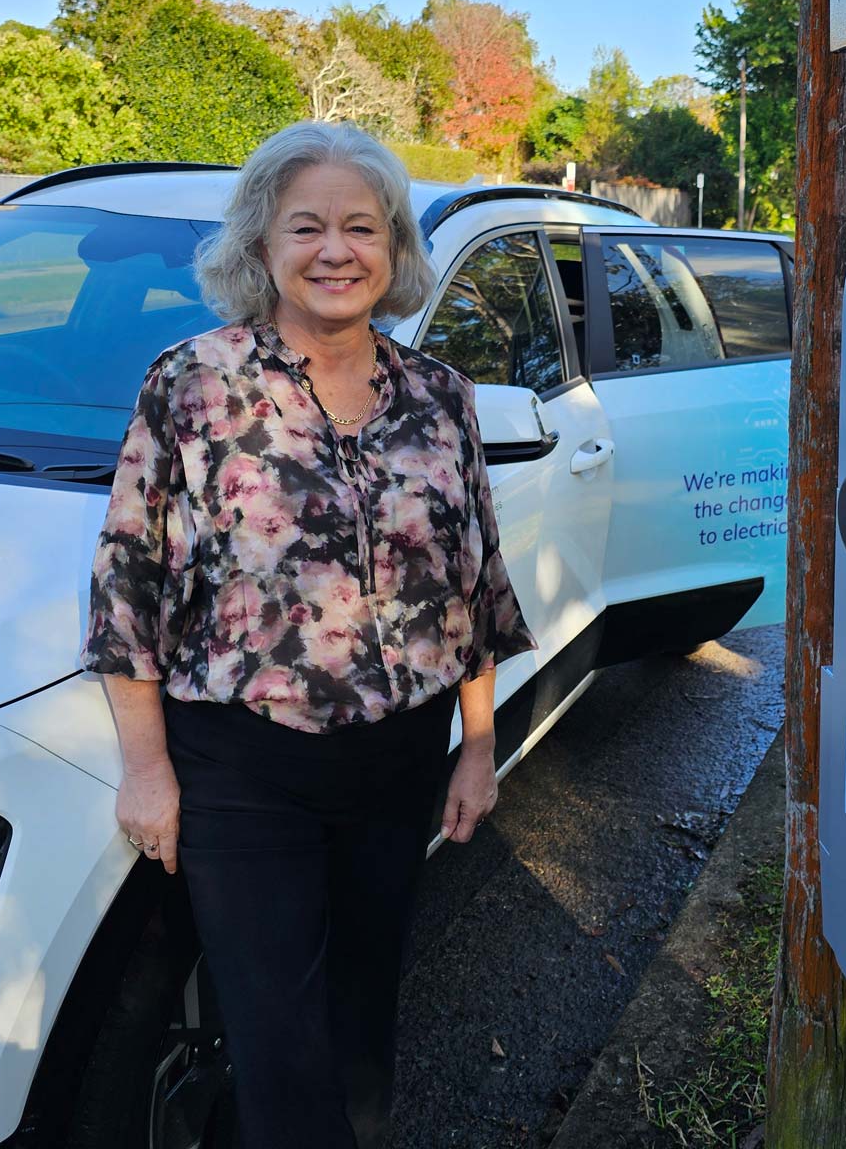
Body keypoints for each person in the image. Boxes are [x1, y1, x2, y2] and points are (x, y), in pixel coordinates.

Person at [81, 120, 536, 1148]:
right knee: (277, 1039)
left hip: (397, 759)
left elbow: (473, 587)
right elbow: (128, 581)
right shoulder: (192, 385)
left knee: (365, 1017)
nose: (337, 250)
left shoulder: (440, 399)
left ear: (395, 251)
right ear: (261, 247)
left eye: (362, 228)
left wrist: (477, 745)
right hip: (245, 769)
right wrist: (146, 768)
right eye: (308, 227)